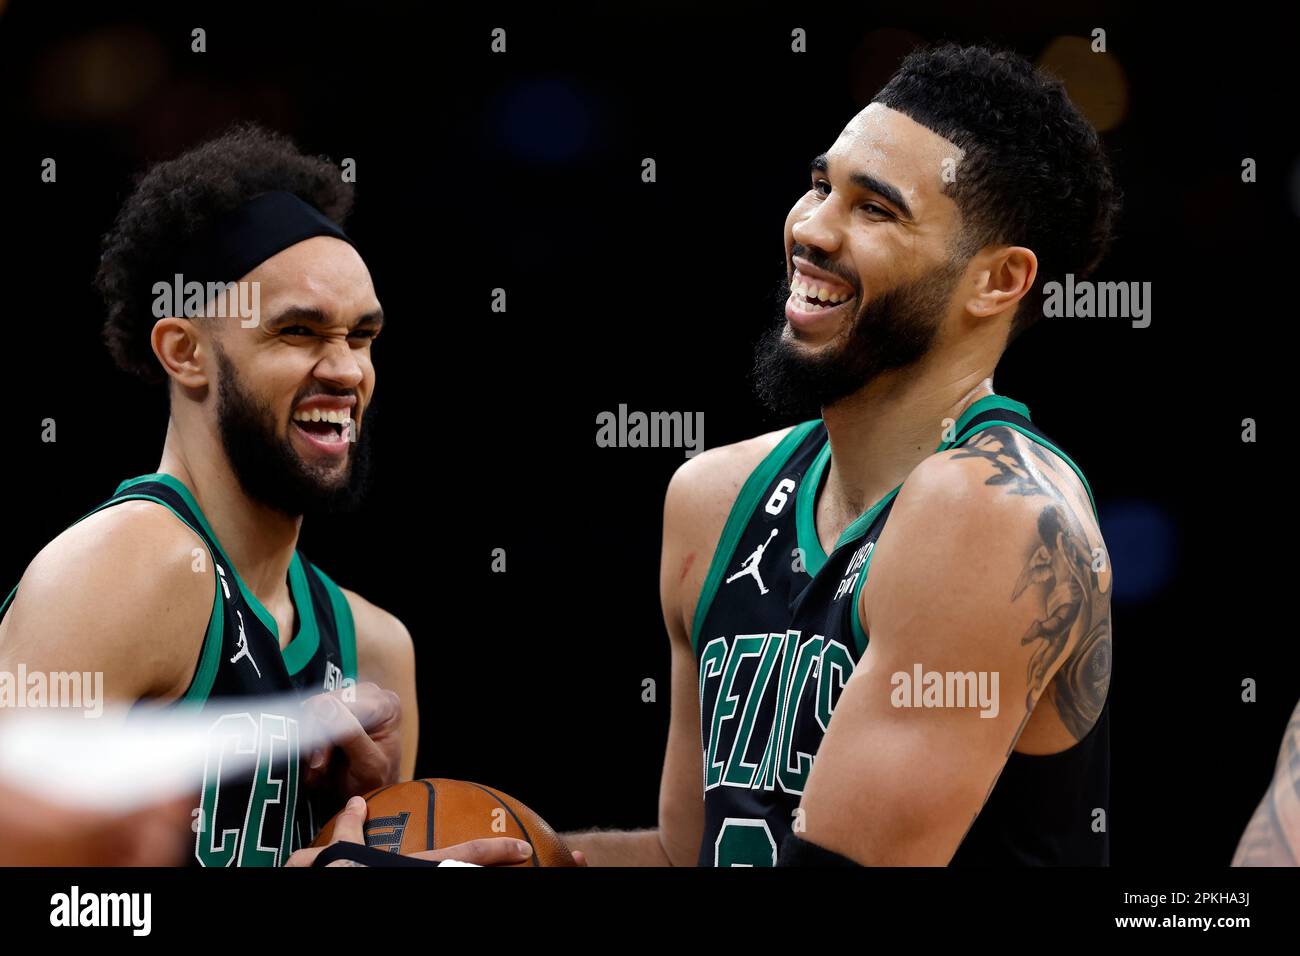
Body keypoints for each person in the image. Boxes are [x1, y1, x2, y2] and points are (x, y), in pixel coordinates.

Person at [565, 42, 1119, 866]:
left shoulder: (996, 513)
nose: (810, 228)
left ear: (997, 281)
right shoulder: (713, 496)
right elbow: (695, 855)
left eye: (875, 209)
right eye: (823, 185)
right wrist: (526, 854)